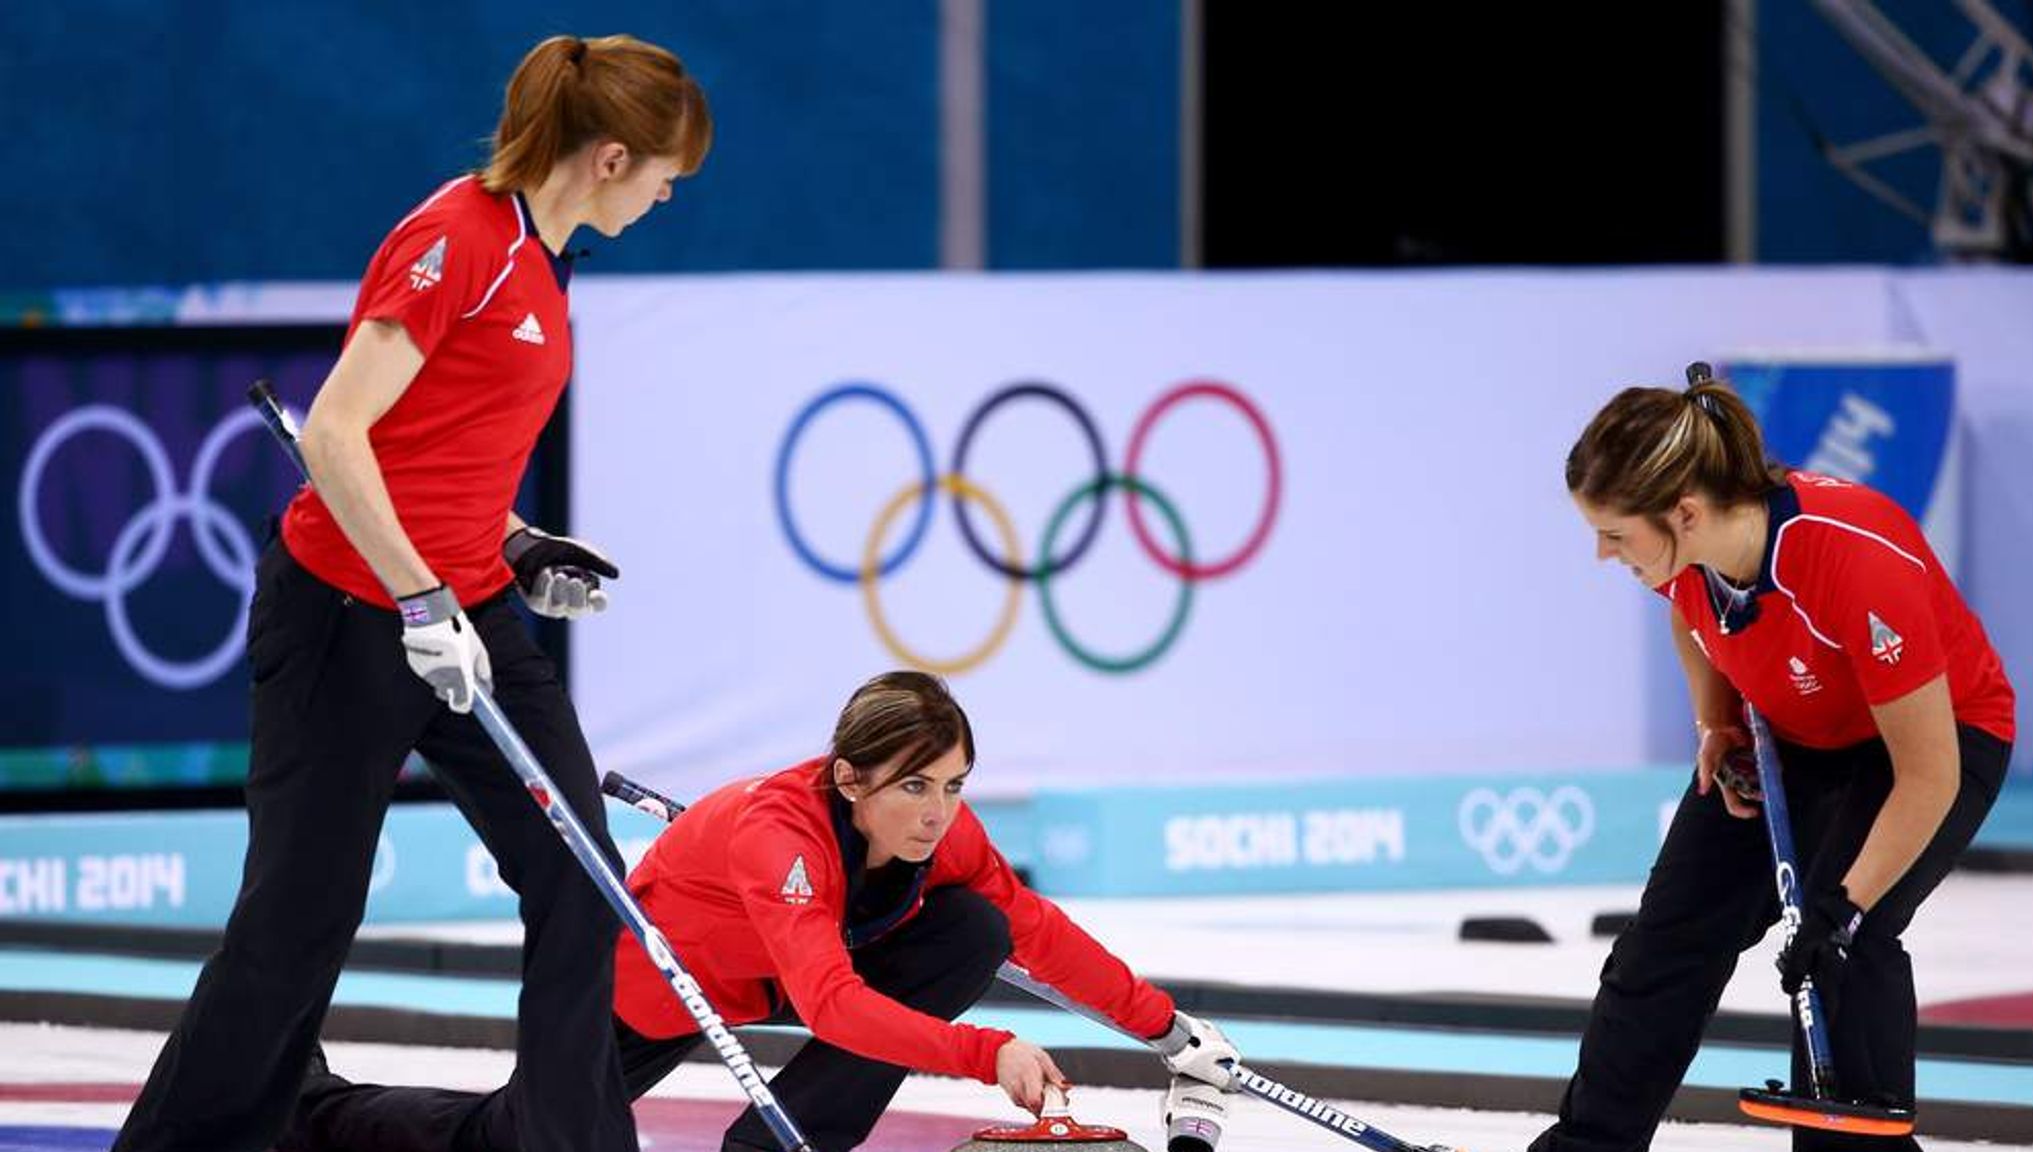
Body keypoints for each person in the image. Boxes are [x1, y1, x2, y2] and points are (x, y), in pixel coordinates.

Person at [111, 34, 712, 1152]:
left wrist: (522, 546)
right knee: (297, 925)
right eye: (670, 175)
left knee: (581, 882)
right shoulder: (457, 239)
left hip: (468, 609)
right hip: (348, 614)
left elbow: (438, 451)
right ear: (613, 157)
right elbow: (338, 432)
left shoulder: (547, 257)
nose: (672, 196)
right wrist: (421, 602)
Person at [280, 670, 1244, 1152]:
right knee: (510, 1143)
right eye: (915, 788)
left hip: (785, 967)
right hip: (661, 986)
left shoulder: (940, 832)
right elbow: (831, 1005)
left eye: (953, 785)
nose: (939, 812)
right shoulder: (776, 833)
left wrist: (1167, 1029)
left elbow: (1034, 930)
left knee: (978, 929)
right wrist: (986, 1052)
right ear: (848, 778)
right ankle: (310, 1108)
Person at [1533, 374, 2013, 1151]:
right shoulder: (1686, 555)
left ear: (1684, 511)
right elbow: (1693, 621)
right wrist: (1715, 719)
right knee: (1664, 942)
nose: (1600, 554)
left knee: (1842, 950)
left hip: (1936, 741)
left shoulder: (1851, 557)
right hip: (1791, 735)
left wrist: (1844, 906)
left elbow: (1930, 775)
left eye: (1615, 535)